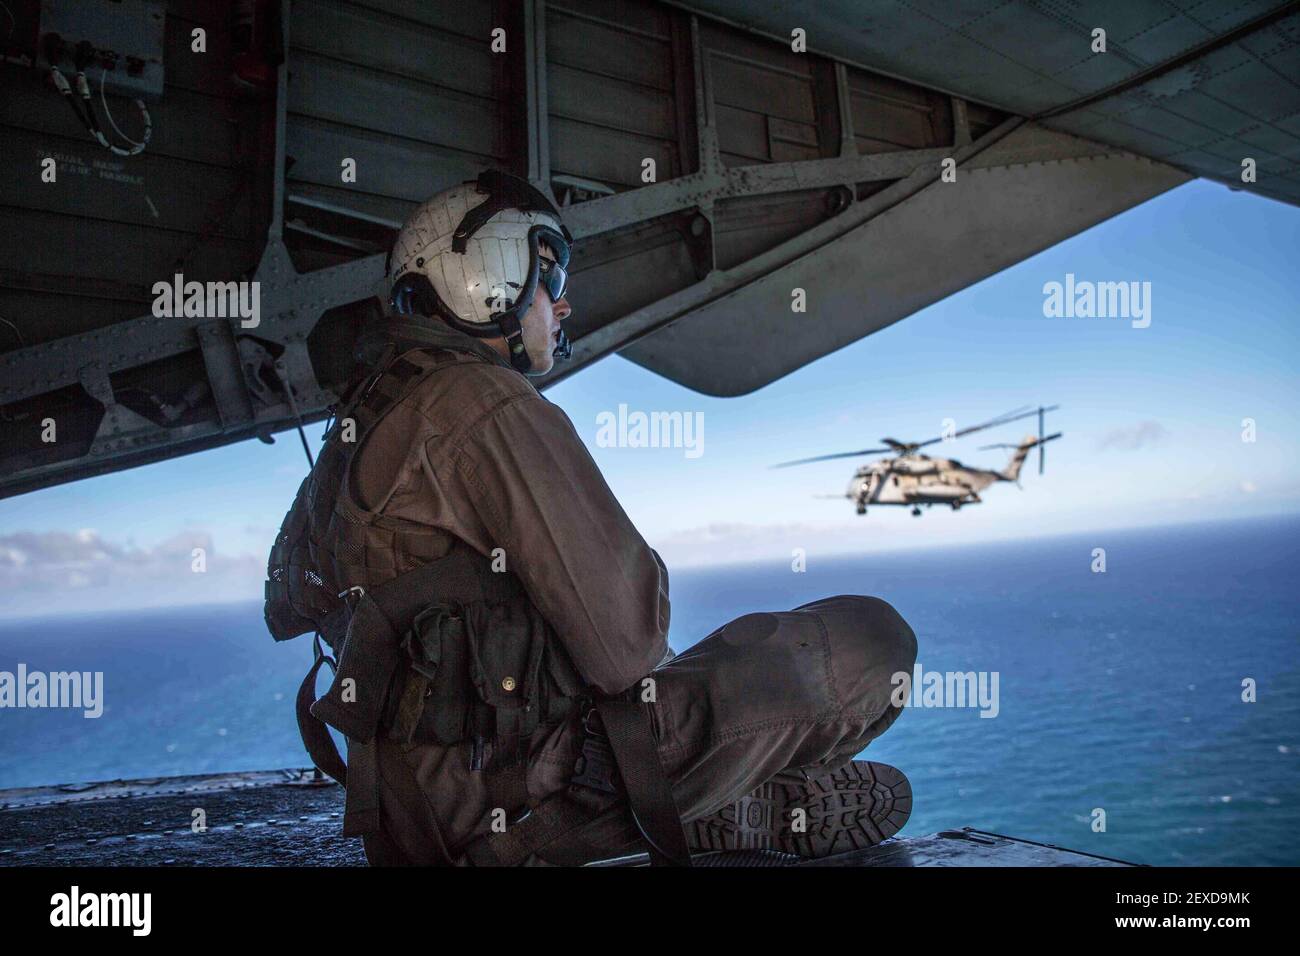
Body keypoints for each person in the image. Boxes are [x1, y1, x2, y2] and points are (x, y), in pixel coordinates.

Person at [265, 169, 918, 866]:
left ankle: (712, 804)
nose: (562, 303)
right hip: (516, 805)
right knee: (874, 644)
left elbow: (292, 604)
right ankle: (703, 804)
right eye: (546, 277)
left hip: (402, 816)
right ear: (488, 275)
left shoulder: (363, 421)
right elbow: (628, 645)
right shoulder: (484, 402)